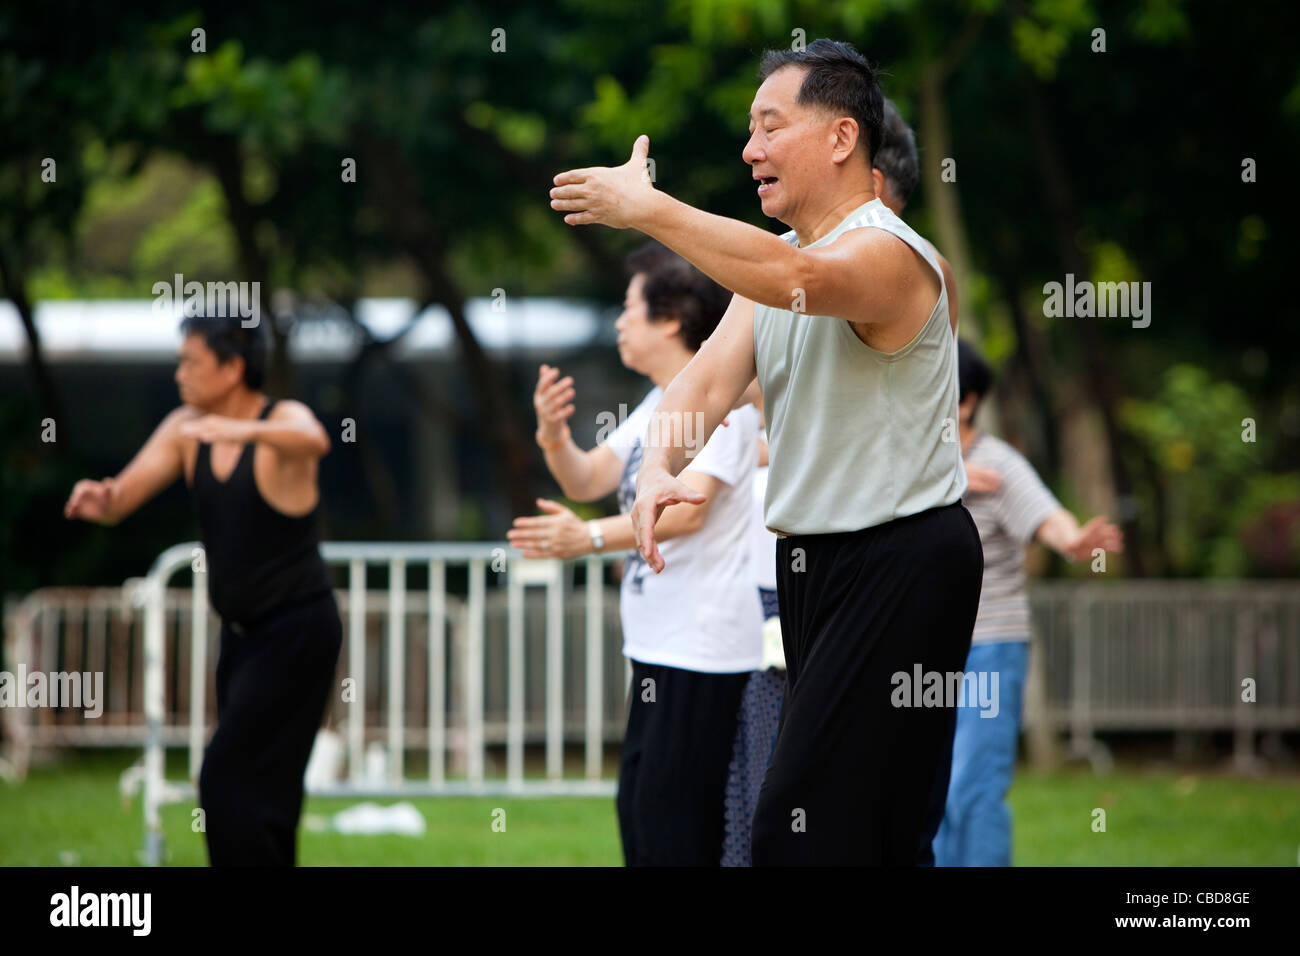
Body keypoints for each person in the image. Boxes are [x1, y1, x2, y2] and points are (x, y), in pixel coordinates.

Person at [548, 38, 983, 865]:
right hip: (816, 566)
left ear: (842, 138)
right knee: (873, 832)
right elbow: (702, 387)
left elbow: (800, 281)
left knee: (797, 823)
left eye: (769, 127)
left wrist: (651, 210)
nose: (749, 149)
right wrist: (661, 471)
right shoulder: (775, 272)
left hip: (901, 558)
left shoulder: (888, 255)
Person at [506, 243, 762, 866]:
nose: (620, 322)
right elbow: (588, 478)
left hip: (703, 651)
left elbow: (689, 508)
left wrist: (588, 539)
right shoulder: (660, 403)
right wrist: (552, 435)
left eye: (629, 308)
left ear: (670, 317)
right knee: (642, 820)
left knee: (675, 833)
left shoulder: (720, 403)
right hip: (658, 646)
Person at [63, 314, 340, 866]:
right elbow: (124, 495)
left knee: (222, 779)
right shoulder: (186, 429)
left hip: (297, 631)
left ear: (234, 367)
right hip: (242, 637)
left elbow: (314, 439)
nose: (180, 375)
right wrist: (102, 500)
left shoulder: (279, 421)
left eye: (191, 362)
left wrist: (242, 431)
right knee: (267, 796)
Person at [933, 340, 1123, 866]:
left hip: (989, 647)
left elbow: (1045, 515)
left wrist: (1072, 538)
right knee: (928, 788)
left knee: (971, 787)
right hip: (923, 653)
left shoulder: (997, 463)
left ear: (967, 402)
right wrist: (943, 478)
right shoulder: (908, 460)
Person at [720, 394, 786, 867]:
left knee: (772, 757)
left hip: (784, 610)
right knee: (738, 759)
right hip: (736, 612)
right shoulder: (727, 432)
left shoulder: (798, 430)